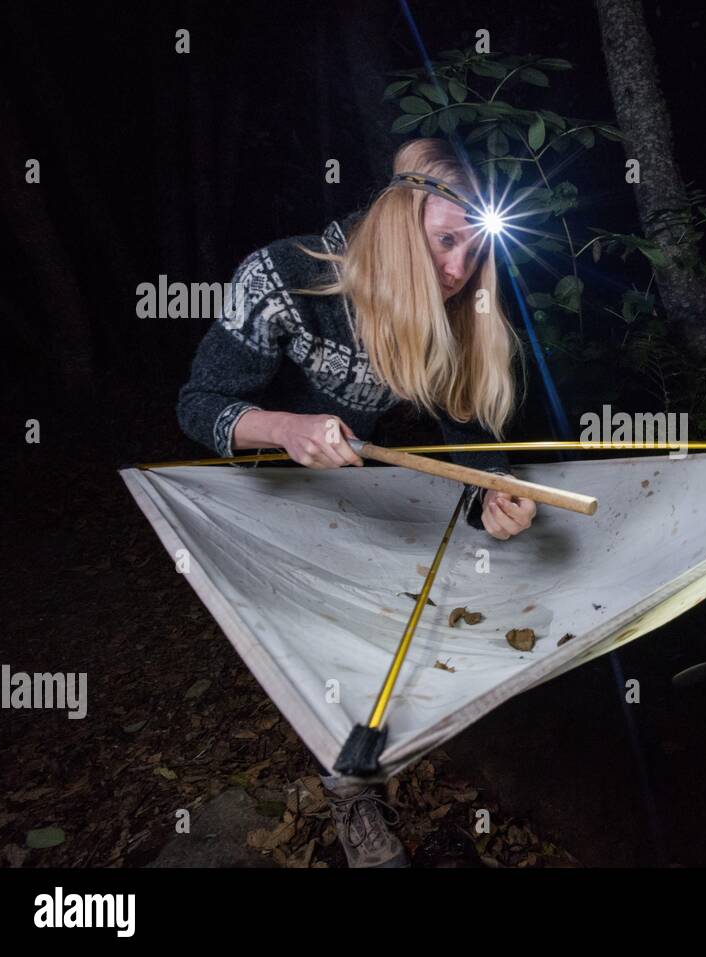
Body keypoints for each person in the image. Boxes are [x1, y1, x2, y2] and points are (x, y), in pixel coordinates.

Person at [177, 138, 538, 867]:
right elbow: (198, 403)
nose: (457, 270)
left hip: (344, 492)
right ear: (400, 217)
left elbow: (470, 447)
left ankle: (353, 781)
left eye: (472, 254)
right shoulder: (282, 274)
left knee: (365, 629)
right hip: (255, 486)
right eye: (445, 242)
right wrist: (284, 429)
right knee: (298, 644)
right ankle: (352, 787)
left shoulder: (449, 306)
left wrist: (494, 498)